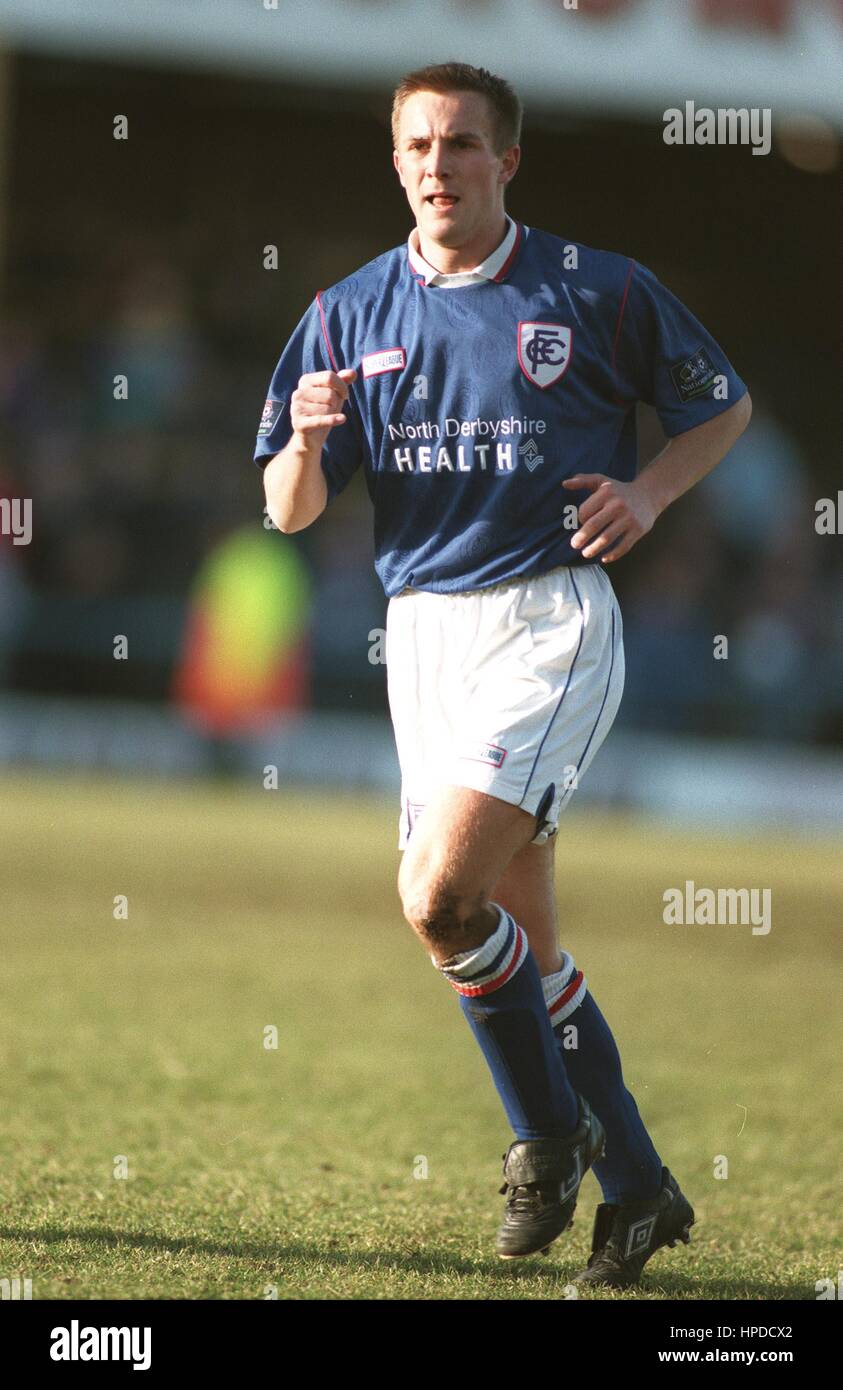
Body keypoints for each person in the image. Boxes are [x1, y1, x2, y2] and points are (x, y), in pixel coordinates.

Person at [254, 61, 751, 1288]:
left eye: (463, 144)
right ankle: (637, 1189)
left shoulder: (591, 287)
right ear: (395, 161)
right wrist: (309, 445)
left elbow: (720, 405)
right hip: (421, 637)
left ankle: (546, 1135)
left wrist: (646, 491)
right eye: (418, 144)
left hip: (547, 622)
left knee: (436, 899)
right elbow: (287, 509)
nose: (438, 163)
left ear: (507, 160)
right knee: (506, 934)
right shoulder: (343, 314)